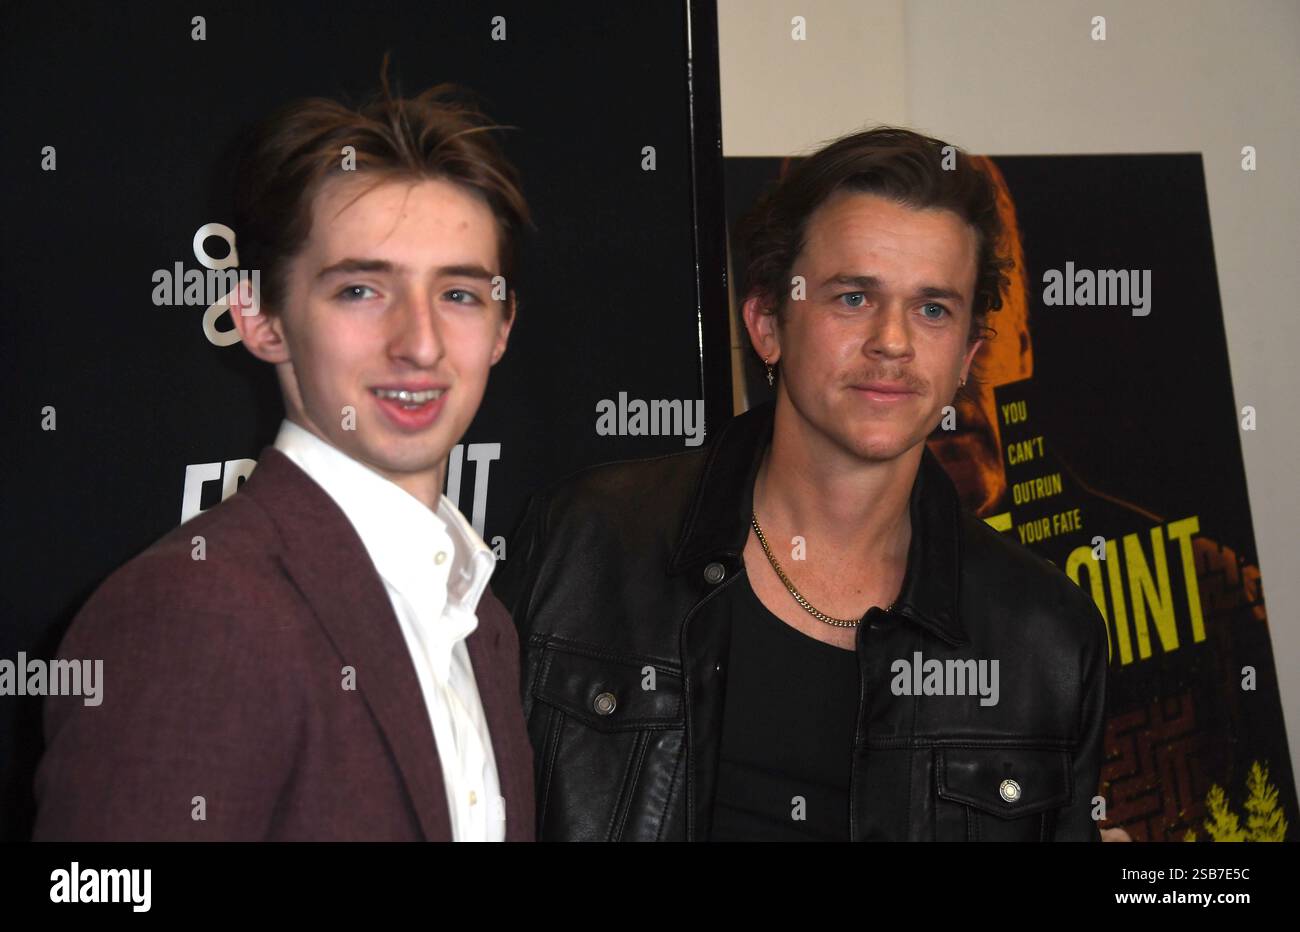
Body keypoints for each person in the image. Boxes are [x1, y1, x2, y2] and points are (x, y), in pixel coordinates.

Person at [494, 126, 1108, 841]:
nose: (893, 341)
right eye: (853, 298)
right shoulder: (584, 544)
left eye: (932, 309)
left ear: (968, 356)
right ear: (766, 324)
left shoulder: (1047, 641)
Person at [34, 73, 534, 841]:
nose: (421, 343)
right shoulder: (198, 610)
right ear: (259, 319)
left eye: (459, 295)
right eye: (362, 290)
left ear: (502, 329)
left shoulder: (483, 622)